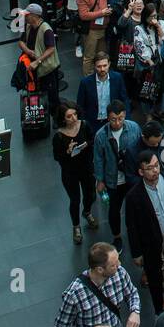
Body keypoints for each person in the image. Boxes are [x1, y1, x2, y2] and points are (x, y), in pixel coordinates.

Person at [52, 241, 141, 327]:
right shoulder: (74, 294)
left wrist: (135, 312)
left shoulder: (120, 273)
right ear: (100, 269)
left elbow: (132, 293)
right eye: (114, 264)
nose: (120, 265)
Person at [123, 148, 164, 314]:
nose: (155, 170)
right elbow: (132, 226)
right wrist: (136, 253)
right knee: (157, 283)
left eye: (157, 165)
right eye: (150, 168)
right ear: (141, 172)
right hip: (154, 247)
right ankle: (162, 314)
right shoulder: (134, 196)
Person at [92, 101, 143, 246]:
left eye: (120, 118)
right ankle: (117, 236)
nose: (117, 122)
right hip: (113, 179)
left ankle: (135, 232)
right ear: (108, 118)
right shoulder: (101, 136)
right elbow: (98, 159)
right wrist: (100, 180)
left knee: (134, 207)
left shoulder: (134, 128)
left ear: (125, 115)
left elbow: (140, 149)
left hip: (132, 176)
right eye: (113, 119)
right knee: (114, 210)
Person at [52, 102, 98, 244]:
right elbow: (57, 157)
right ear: (63, 119)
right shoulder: (59, 136)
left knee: (90, 194)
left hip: (86, 167)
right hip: (70, 172)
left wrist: (85, 145)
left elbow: (92, 140)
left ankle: (87, 211)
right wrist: (67, 151)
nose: (73, 118)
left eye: (74, 114)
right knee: (75, 200)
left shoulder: (84, 125)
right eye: (69, 116)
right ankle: (76, 226)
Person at [16, 2, 61, 110]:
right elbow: (21, 42)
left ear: (35, 16)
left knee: (52, 95)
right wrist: (28, 51)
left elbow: (51, 48)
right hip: (33, 67)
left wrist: (37, 61)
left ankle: (56, 116)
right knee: (36, 92)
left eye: (27, 14)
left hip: (47, 69)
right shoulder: (28, 26)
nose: (25, 17)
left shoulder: (46, 29)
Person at [76, 52, 130, 136]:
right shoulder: (85, 83)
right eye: (99, 66)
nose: (102, 69)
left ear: (109, 64)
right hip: (93, 123)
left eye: (105, 65)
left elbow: (124, 99)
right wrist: (83, 123)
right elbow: (80, 105)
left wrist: (126, 119)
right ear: (94, 66)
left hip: (112, 120)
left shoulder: (117, 78)